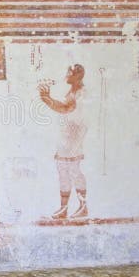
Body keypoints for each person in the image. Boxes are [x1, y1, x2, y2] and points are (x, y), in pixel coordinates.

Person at [39, 64, 88, 219]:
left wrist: (47, 99)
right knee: (63, 171)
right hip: (66, 135)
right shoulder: (72, 91)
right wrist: (47, 99)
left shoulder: (81, 92)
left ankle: (83, 206)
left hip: (74, 136)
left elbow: (66, 108)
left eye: (69, 73)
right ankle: (63, 208)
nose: (66, 76)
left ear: (77, 76)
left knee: (73, 170)